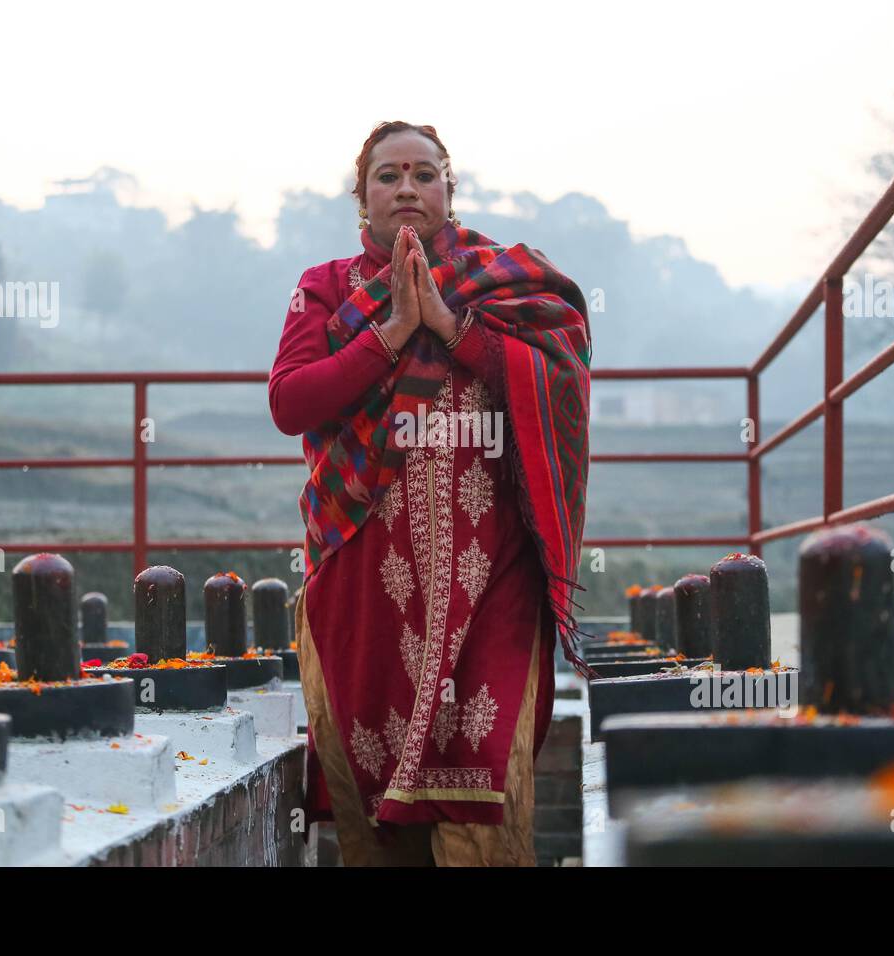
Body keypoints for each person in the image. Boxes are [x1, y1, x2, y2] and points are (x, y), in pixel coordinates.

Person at [269, 121, 593, 866]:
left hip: (493, 583)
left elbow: (561, 382)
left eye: (424, 173)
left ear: (450, 187)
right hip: (363, 581)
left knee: (483, 776)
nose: (407, 187)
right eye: (388, 176)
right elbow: (291, 404)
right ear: (363, 198)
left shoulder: (505, 282)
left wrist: (452, 327)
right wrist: (389, 334)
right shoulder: (323, 288)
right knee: (380, 808)